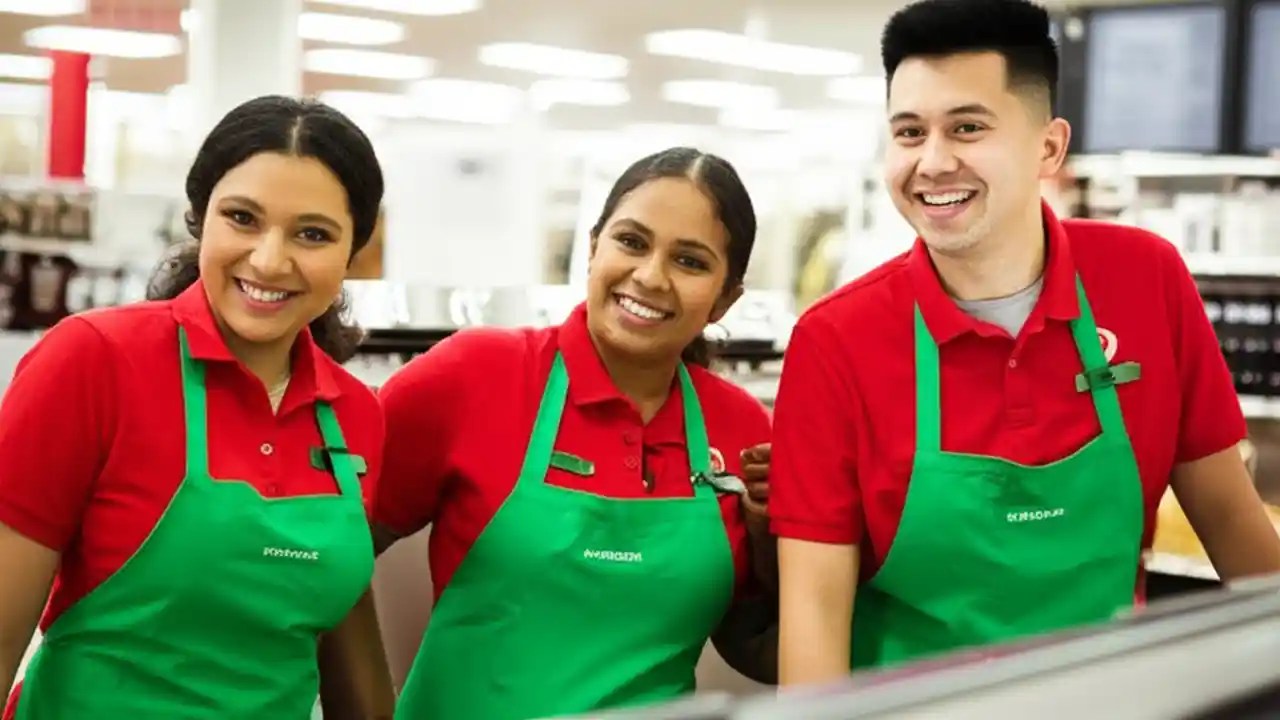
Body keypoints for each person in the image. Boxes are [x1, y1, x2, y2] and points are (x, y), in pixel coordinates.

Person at [769, 0, 1280, 686]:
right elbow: (814, 618)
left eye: (968, 127)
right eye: (910, 132)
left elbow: (1231, 523)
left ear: (1049, 146)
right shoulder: (836, 341)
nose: (933, 161)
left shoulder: (1145, 280)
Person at [0, 96, 395, 719]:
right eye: (242, 218)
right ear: (199, 220)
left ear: (353, 255)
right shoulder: (94, 361)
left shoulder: (355, 415)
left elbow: (344, 647)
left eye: (312, 234)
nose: (269, 258)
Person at [372, 147, 776, 720]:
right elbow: (328, 557)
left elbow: (758, 646)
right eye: (632, 242)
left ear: (725, 299)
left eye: (690, 261)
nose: (650, 275)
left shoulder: (741, 428)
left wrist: (770, 542)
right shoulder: (476, 375)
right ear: (592, 249)